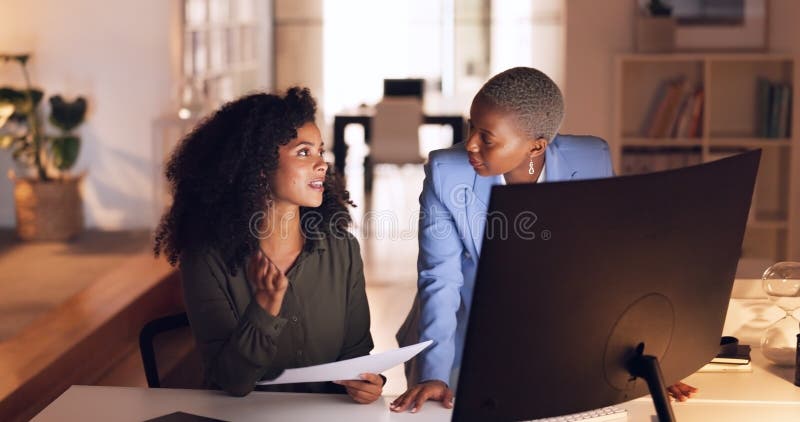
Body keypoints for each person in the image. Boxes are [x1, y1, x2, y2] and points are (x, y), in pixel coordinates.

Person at [391, 67, 696, 413]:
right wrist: (435, 374)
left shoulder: (591, 159)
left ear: (536, 146)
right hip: (464, 339)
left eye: (487, 137)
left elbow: (611, 269)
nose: (471, 144)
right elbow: (440, 280)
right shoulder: (447, 173)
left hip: (561, 337)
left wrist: (651, 360)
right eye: (471, 127)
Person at [153, 87, 384, 403]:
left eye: (320, 150)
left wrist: (367, 382)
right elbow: (231, 382)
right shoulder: (206, 259)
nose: (321, 164)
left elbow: (356, 353)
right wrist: (264, 306)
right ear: (259, 166)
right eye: (304, 152)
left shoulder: (341, 248)